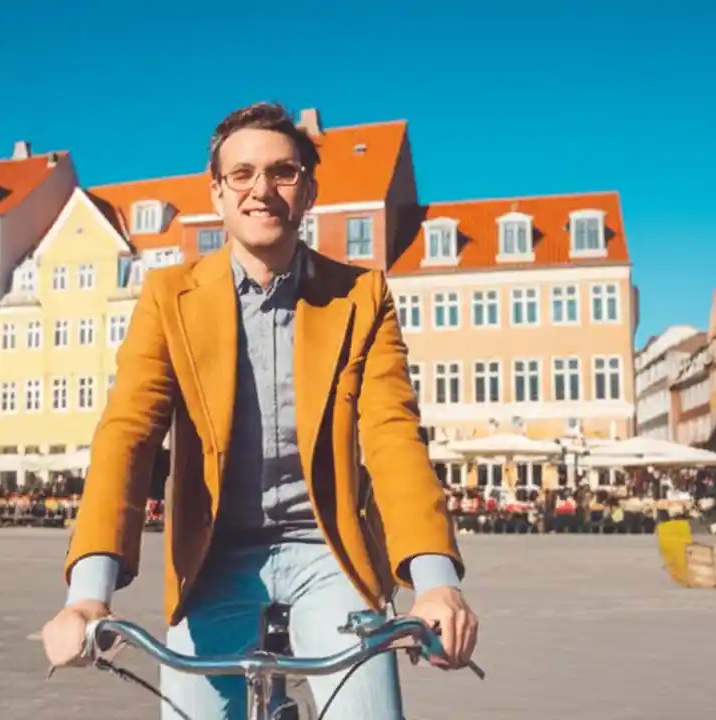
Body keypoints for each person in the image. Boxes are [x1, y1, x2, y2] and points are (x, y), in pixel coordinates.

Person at [41, 102, 478, 718]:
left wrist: (436, 585)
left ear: (309, 191)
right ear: (217, 193)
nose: (261, 190)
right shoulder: (170, 297)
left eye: (283, 172)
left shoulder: (361, 296)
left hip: (331, 556)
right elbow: (128, 434)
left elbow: (392, 434)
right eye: (241, 174)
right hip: (214, 557)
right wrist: (88, 596)